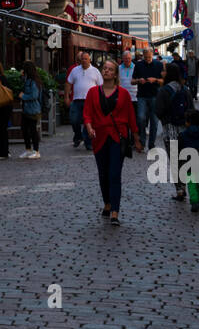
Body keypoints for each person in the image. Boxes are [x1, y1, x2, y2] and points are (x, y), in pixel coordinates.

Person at [83, 59, 143, 227]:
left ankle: (115, 211)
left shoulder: (123, 94)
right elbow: (87, 113)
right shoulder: (93, 92)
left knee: (114, 174)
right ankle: (107, 203)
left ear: (115, 74)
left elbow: (131, 117)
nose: (106, 71)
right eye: (104, 69)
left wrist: (137, 139)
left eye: (110, 69)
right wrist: (88, 127)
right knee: (103, 174)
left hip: (118, 137)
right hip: (99, 137)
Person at [154, 62, 193, 201]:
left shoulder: (164, 90)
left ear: (168, 73)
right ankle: (189, 185)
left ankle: (180, 190)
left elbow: (158, 111)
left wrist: (166, 119)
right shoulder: (185, 89)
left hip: (170, 131)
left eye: (164, 71)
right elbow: (192, 110)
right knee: (185, 159)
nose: (161, 73)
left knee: (175, 161)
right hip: (184, 132)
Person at [64, 51, 103, 150]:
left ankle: (88, 142)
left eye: (86, 59)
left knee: (88, 123)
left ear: (89, 60)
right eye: (82, 59)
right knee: (73, 120)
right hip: (76, 100)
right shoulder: (75, 70)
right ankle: (78, 136)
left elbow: (101, 86)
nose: (84, 61)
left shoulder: (95, 71)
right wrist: (66, 97)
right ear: (80, 60)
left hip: (90, 101)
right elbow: (68, 83)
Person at [132, 47, 166, 151]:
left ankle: (151, 144)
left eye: (149, 57)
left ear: (152, 55)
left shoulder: (159, 65)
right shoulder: (138, 65)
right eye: (146, 57)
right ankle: (142, 141)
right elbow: (132, 81)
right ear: (143, 56)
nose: (147, 59)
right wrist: (138, 80)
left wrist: (155, 79)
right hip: (142, 95)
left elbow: (164, 81)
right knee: (141, 118)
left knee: (154, 121)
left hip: (155, 96)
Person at [178, 109, 199, 212]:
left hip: (188, 163)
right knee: (198, 182)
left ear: (187, 122)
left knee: (191, 183)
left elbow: (179, 148)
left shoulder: (183, 135)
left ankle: (194, 201)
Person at [19, 62, 42, 159]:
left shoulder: (33, 81)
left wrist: (23, 96)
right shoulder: (28, 80)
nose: (22, 70)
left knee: (33, 130)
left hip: (33, 109)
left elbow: (34, 95)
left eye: (24, 69)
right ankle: (28, 149)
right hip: (26, 109)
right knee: (24, 129)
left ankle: (36, 151)